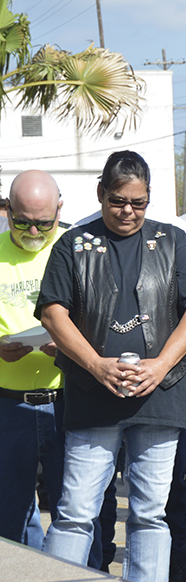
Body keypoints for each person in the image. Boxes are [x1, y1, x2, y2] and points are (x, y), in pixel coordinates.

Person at [38, 151, 186, 582]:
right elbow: (54, 314)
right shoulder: (73, 245)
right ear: (101, 193)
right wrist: (96, 364)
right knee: (76, 512)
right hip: (91, 395)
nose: (129, 212)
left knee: (150, 513)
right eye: (119, 201)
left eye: (139, 203)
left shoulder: (174, 241)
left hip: (161, 394)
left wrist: (161, 366)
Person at [0, 171, 66, 549]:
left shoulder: (75, 249)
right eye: (22, 221)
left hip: (68, 402)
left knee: (72, 513)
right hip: (9, 404)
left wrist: (74, 346)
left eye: (44, 223)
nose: (34, 232)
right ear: (8, 209)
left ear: (60, 209)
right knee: (11, 518)